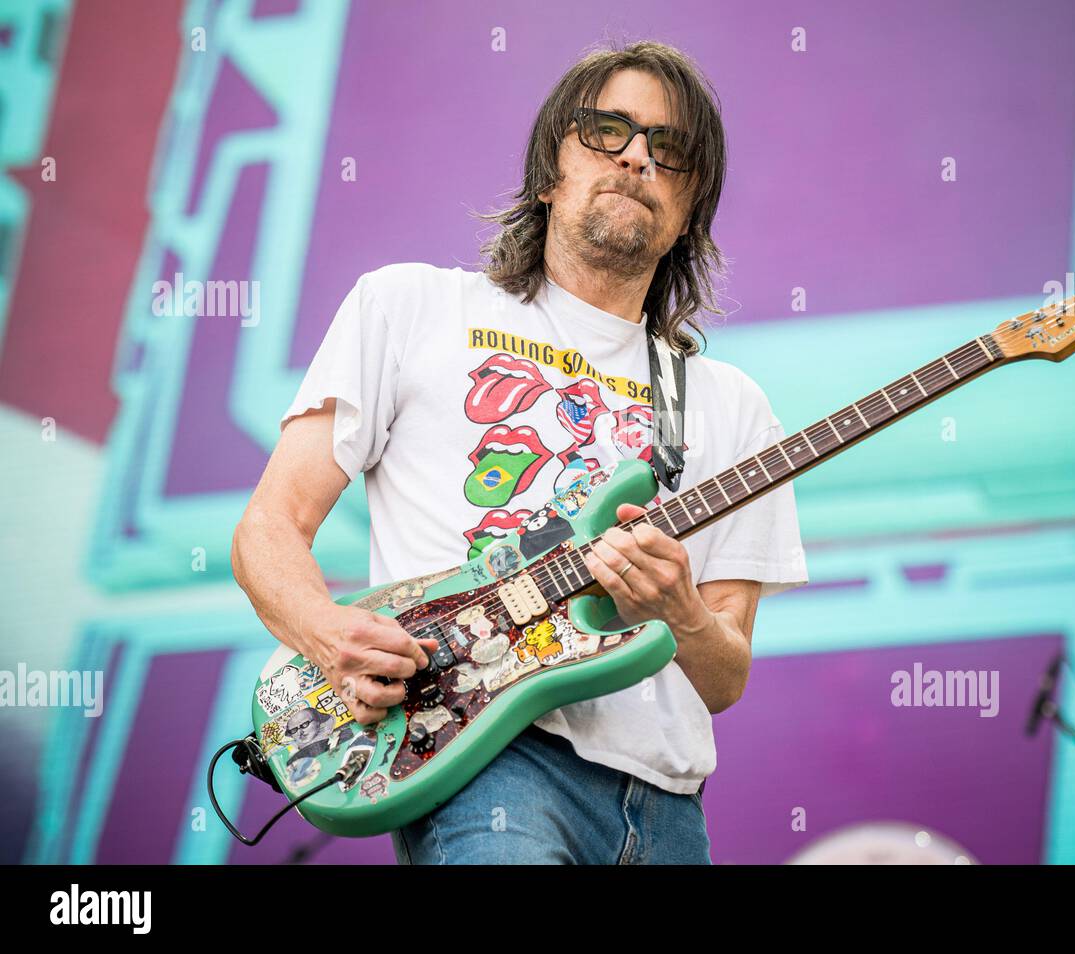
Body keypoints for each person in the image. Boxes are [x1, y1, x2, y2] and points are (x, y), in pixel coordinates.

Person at [231, 39, 807, 865]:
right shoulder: (408, 308)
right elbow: (267, 529)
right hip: (492, 763)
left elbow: (724, 678)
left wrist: (678, 612)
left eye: (669, 150)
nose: (638, 154)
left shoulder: (732, 406)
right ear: (549, 171)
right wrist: (330, 635)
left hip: (673, 809)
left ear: (688, 215)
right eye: (608, 130)